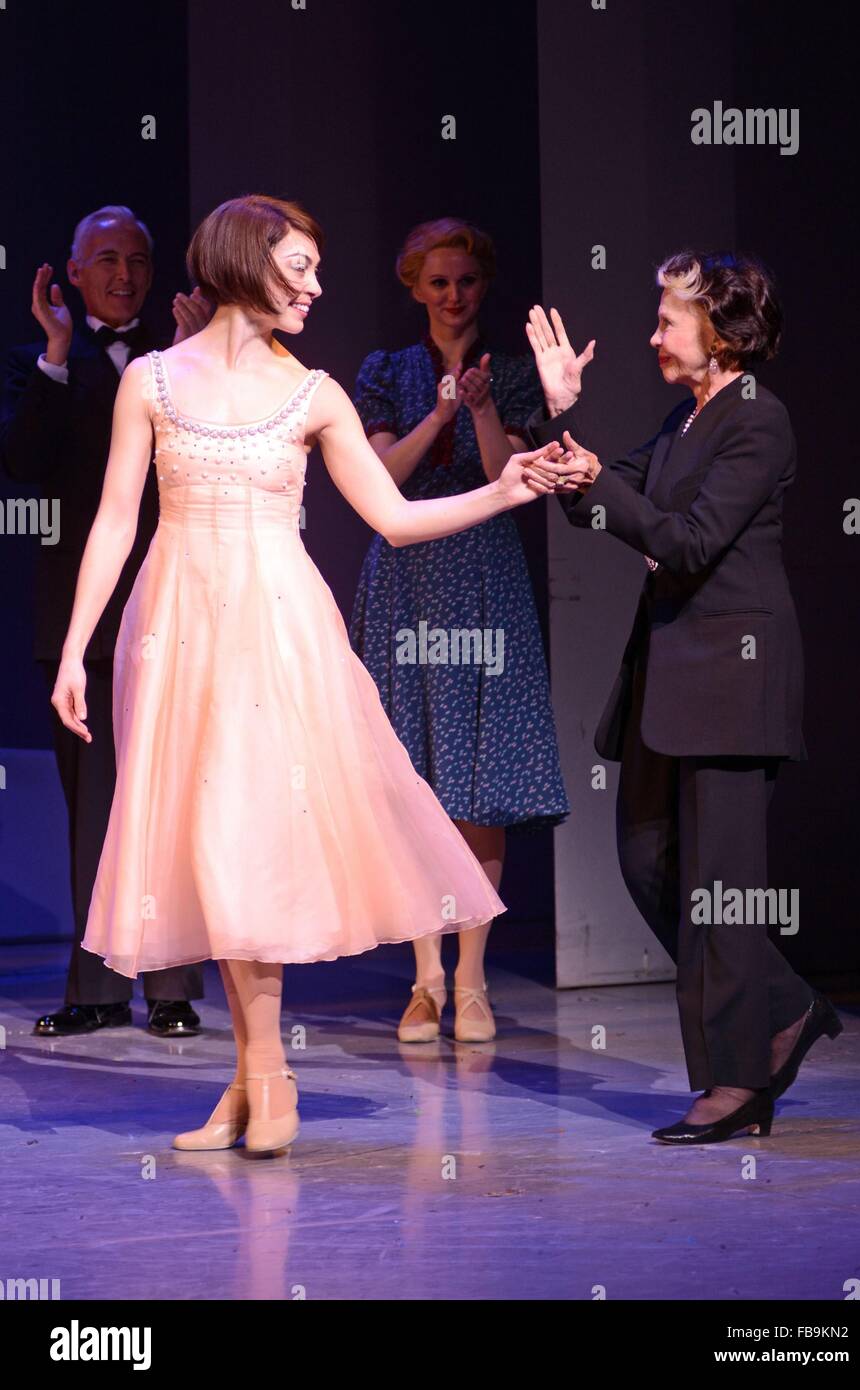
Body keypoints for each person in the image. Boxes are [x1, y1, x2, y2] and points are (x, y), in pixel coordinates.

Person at [49, 194, 581, 1155]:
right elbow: (116, 521)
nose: (316, 285)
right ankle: (256, 1080)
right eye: (299, 266)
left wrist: (502, 489)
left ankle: (266, 1081)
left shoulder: (318, 393)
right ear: (248, 263)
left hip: (277, 629)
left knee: (250, 840)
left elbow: (393, 518)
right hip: (172, 629)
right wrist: (75, 647)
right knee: (203, 846)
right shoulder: (155, 382)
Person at [522, 255, 842, 1145]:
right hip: (671, 678)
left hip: (734, 678)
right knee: (646, 865)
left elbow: (689, 543)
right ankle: (785, 1007)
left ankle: (735, 1084)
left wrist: (597, 485)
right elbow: (597, 503)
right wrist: (561, 425)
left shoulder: (758, 422)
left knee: (721, 892)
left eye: (668, 320)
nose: (653, 334)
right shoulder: (684, 417)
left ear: (725, 333)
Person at [350, 218, 571, 1045]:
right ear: (414, 288)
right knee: (414, 780)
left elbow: (502, 477)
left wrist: (478, 411)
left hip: (482, 579)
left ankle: (471, 980)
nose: (452, 297)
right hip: (410, 579)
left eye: (465, 283)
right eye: (437, 283)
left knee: (477, 779)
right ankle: (424, 981)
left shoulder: (512, 373)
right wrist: (439, 412)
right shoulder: (385, 371)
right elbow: (384, 483)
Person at [0, 204, 213, 1039]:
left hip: (173, 597)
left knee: (169, 793)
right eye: (106, 260)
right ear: (74, 272)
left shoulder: (178, 360)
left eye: (136, 260)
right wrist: (57, 354)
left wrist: (199, 359)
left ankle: (170, 989)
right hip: (79, 613)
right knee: (93, 800)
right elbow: (25, 465)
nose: (123, 275)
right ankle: (93, 990)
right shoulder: (36, 363)